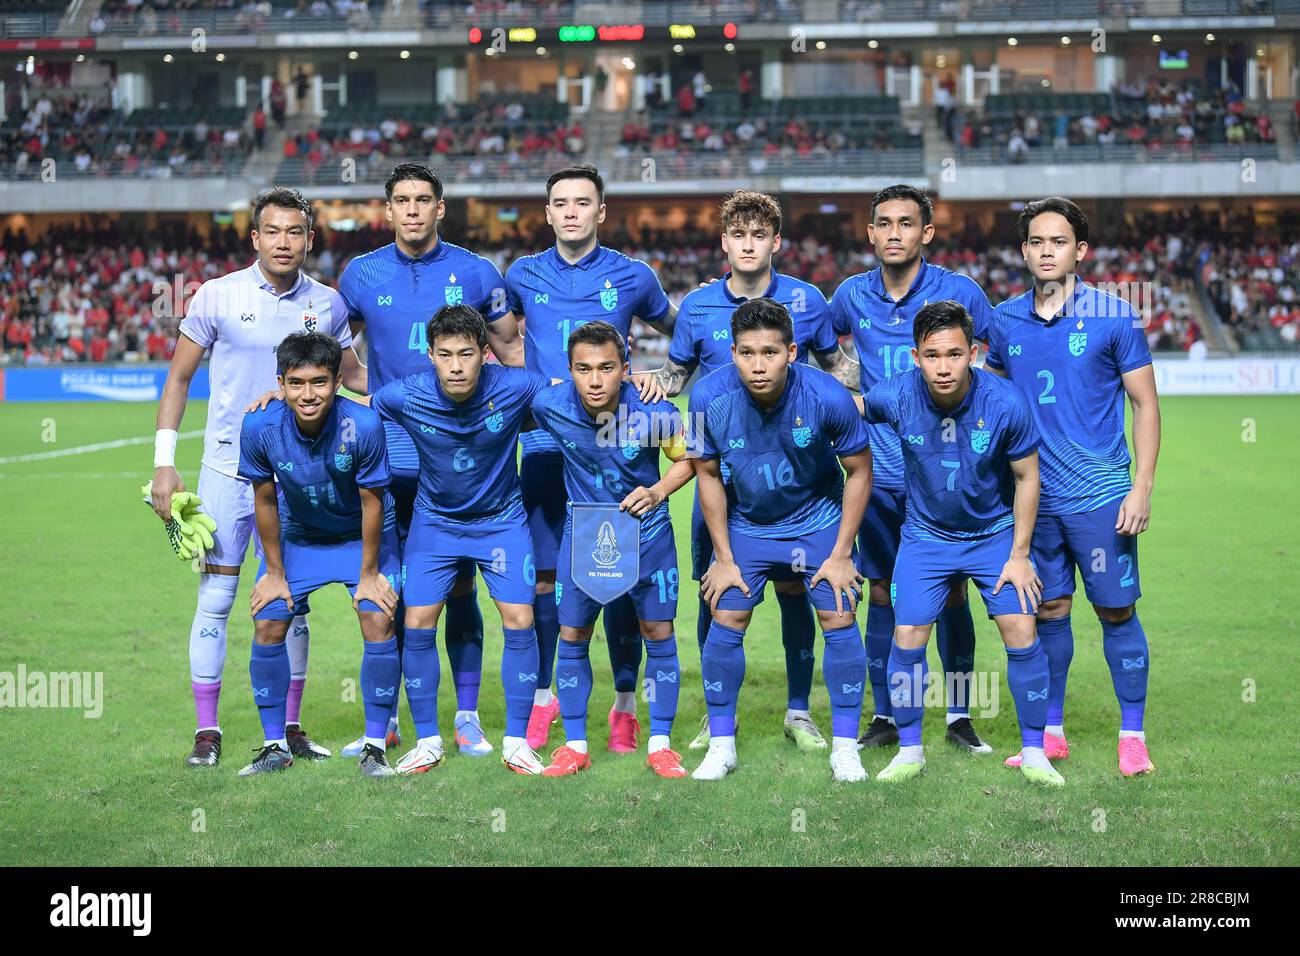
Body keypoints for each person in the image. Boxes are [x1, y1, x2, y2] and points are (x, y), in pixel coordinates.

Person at [152, 187, 365, 768]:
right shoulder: (217, 297)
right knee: (217, 596)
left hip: (299, 476)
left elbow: (353, 379)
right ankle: (207, 731)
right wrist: (163, 463)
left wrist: (442, 378)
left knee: (291, 602)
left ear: (310, 239)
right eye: (273, 231)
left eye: (295, 232)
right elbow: (177, 381)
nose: (284, 242)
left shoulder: (329, 304)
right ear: (255, 238)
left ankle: (290, 727)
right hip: (224, 468)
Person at [652, 189, 860, 753]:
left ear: (775, 242)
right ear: (724, 243)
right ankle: (716, 718)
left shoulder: (807, 300)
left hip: (797, 475)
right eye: (738, 236)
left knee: (800, 592)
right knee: (715, 591)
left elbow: (836, 369)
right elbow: (675, 375)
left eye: (758, 235)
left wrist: (879, 391)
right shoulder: (696, 306)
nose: (748, 245)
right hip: (723, 476)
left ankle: (798, 710)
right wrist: (643, 386)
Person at [337, 163, 524, 757]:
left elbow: (510, 349)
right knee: (393, 591)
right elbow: (341, 358)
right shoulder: (360, 274)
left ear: (440, 207)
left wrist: (507, 408)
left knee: (463, 588)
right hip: (388, 459)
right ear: (386, 209)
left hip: (463, 461)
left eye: (423, 200)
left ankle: (465, 716)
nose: (412, 210)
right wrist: (374, 391)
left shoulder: (475, 271)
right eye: (401, 200)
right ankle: (387, 718)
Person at [504, 164, 676, 755]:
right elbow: (500, 342)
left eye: (583, 202)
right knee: (547, 582)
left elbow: (682, 343)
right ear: (547, 212)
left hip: (610, 451)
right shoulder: (521, 274)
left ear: (602, 212)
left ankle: (625, 707)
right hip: (545, 449)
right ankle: (547, 700)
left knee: (623, 581)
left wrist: (662, 375)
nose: (571, 210)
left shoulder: (633, 275)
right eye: (560, 202)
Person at [987, 196, 1160, 777]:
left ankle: (1131, 735)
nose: (1046, 251)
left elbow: (1146, 405)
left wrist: (1141, 487)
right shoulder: (1004, 320)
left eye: (1058, 242)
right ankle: (1051, 732)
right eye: (1036, 242)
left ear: (1079, 251)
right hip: (1034, 503)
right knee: (1051, 612)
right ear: (1024, 251)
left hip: (1101, 498)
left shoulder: (1115, 316)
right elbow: (988, 405)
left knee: (1116, 612)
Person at [829, 184, 999, 753]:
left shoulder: (960, 293)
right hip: (878, 475)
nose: (895, 232)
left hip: (946, 472)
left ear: (926, 232)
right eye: (885, 223)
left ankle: (956, 715)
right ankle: (887, 713)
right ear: (871, 232)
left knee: (952, 592)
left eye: (907, 223)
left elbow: (994, 364)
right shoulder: (851, 295)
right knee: (882, 593)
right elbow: (814, 344)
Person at [862, 301, 1061, 785]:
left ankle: (1035, 753)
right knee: (906, 639)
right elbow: (847, 409)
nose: (944, 367)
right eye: (932, 356)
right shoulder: (896, 395)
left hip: (992, 537)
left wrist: (1019, 555)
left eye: (954, 354)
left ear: (973, 352)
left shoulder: (1006, 401)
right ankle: (910, 751)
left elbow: (1028, 477)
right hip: (925, 538)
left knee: (1022, 632)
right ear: (915, 357)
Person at [688, 298, 874, 782]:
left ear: (792, 351)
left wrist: (840, 553)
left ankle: (846, 748)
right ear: (732, 353)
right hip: (748, 523)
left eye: (770, 352)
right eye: (747, 353)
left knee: (838, 610)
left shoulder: (826, 396)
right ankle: (722, 746)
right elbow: (707, 475)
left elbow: (859, 472)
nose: (758, 364)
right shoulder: (708, 398)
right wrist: (723, 557)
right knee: (726, 610)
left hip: (816, 520)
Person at [370, 305, 549, 775]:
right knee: (418, 622)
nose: (455, 365)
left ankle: (516, 740)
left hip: (501, 521)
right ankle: (428, 740)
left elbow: (578, 397)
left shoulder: (516, 385)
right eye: (445, 354)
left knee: (519, 618)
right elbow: (351, 412)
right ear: (429, 355)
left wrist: (639, 386)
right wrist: (283, 397)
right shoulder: (403, 395)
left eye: (466, 354)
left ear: (484, 355)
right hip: (435, 524)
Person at [529, 321, 695, 778]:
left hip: (648, 533)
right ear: (569, 370)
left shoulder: (655, 409)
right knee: (572, 637)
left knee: (658, 633)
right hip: (583, 532)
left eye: (607, 367)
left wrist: (659, 490)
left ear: (626, 367)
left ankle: (661, 744)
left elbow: (688, 460)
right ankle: (576, 745)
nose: (596, 379)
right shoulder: (549, 404)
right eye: (584, 369)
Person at [236, 332, 400, 777]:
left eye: (320, 382)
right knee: (269, 616)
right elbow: (265, 500)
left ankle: (374, 747)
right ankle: (274, 746)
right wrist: (273, 571)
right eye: (297, 383)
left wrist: (369, 574)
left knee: (376, 614)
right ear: (281, 382)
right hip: (300, 537)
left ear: (336, 382)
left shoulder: (362, 426)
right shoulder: (258, 426)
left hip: (359, 538)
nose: (308, 394)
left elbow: (372, 502)